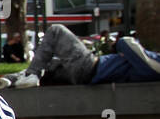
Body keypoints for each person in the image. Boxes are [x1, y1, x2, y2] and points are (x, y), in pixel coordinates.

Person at [11, 23, 160, 87]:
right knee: (48, 68)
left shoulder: (156, 65)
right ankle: (10, 80)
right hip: (88, 75)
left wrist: (120, 44)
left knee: (56, 31)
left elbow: (126, 43)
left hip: (90, 66)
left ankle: (31, 74)